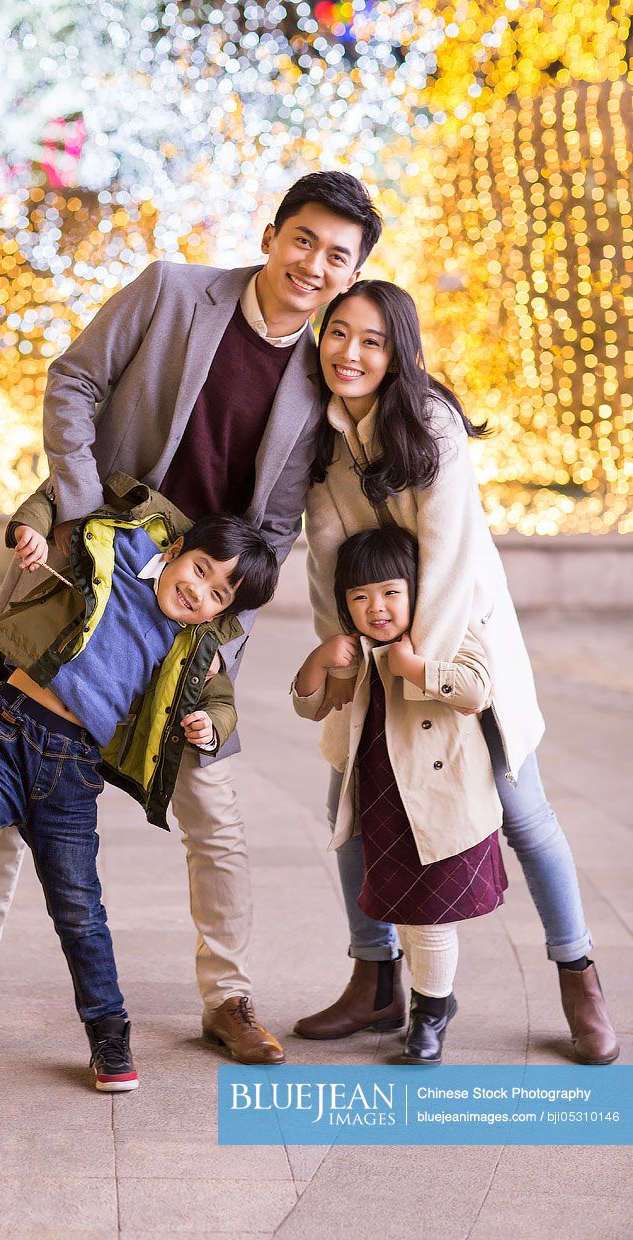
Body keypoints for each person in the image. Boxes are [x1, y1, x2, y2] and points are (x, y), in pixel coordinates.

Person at [0, 171, 384, 1067]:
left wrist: (217, 662)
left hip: (189, 622)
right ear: (272, 231)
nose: (313, 264)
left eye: (336, 256)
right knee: (9, 794)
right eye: (303, 240)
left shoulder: (318, 381)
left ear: (350, 272)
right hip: (87, 601)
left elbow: (276, 531)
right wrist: (88, 521)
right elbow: (75, 382)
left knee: (215, 812)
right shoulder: (171, 290)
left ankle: (230, 996)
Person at [0, 474, 279, 1092]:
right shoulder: (121, 547)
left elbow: (224, 703)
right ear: (175, 552)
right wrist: (30, 530)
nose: (198, 591)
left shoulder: (198, 646)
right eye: (199, 570)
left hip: (72, 769)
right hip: (5, 732)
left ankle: (109, 1036)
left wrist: (209, 723)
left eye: (219, 595)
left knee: (80, 910)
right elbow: (57, 497)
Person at [293, 279, 618, 1066]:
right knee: (347, 809)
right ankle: (375, 979)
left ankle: (578, 973)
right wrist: (341, 651)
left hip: (458, 646)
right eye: (338, 334)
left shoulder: (428, 423)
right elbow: (327, 559)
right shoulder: (322, 435)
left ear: (398, 350)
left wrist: (420, 672)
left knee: (520, 810)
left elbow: (449, 561)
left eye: (371, 340)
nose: (350, 353)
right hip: (376, 645)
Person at [293, 526, 507, 1063]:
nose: (377, 607)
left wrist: (414, 669)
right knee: (404, 910)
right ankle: (424, 1000)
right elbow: (313, 706)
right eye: (360, 597)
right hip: (385, 801)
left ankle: (431, 1014)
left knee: (430, 914)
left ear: (418, 589)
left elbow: (477, 690)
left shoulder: (449, 633)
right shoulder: (361, 651)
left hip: (440, 804)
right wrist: (319, 661)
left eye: (390, 592)